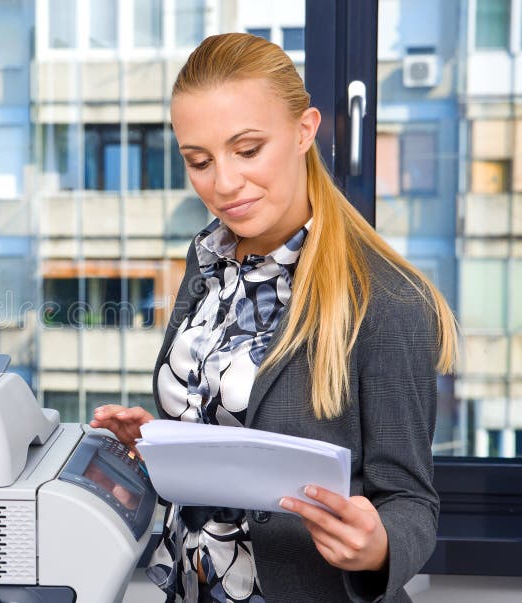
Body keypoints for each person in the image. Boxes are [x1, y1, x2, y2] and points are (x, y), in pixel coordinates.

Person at [90, 32, 456, 603]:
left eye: (248, 150)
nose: (224, 184)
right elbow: (223, 423)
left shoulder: (387, 300)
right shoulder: (206, 260)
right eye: (199, 161)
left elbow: (411, 502)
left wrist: (377, 547)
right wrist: (160, 442)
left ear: (304, 131)